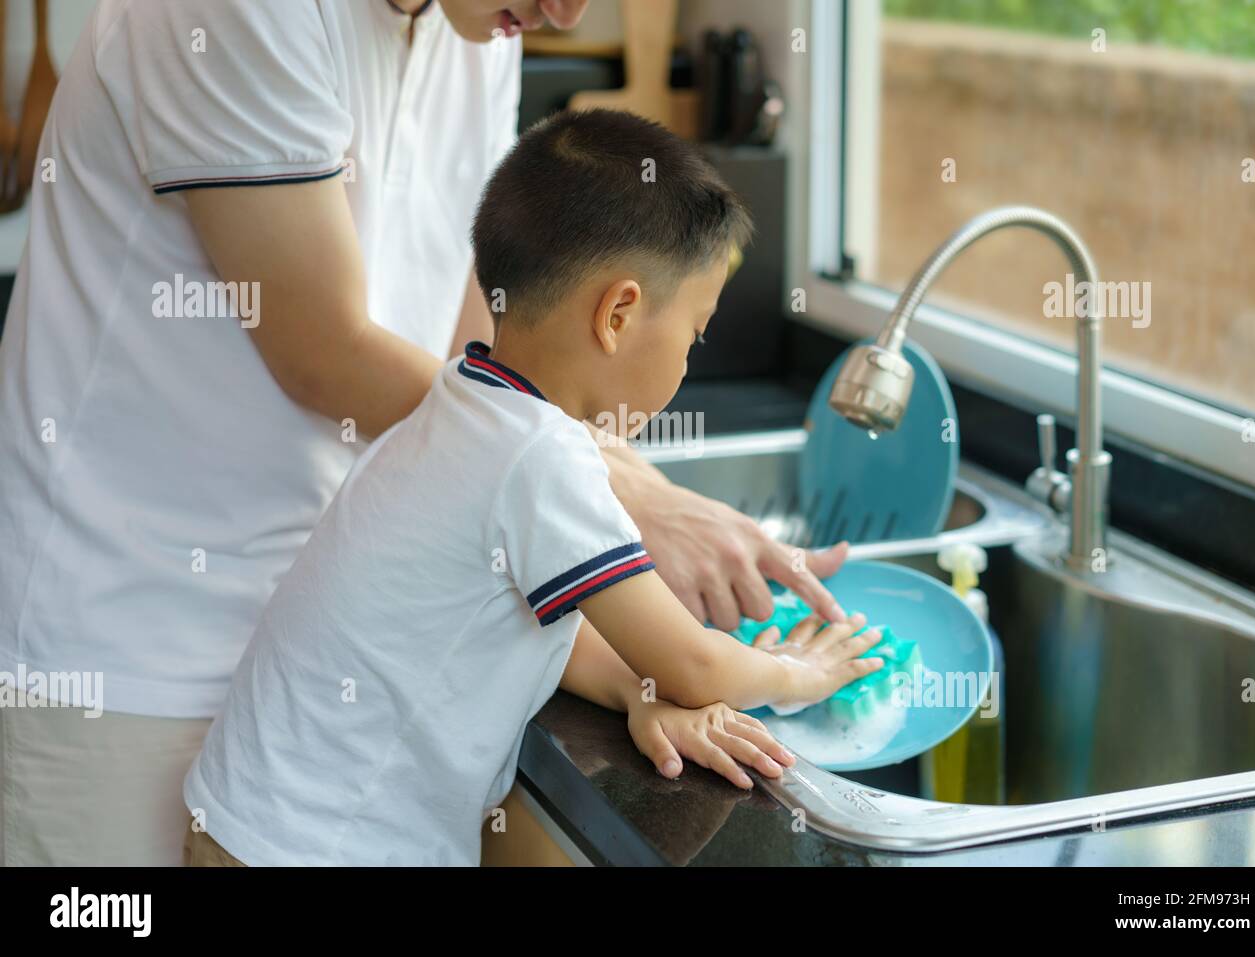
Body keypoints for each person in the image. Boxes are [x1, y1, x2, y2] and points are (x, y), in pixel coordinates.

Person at [0, 0, 845, 866]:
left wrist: (633, 648)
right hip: (131, 641)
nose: (566, 13)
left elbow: (485, 370)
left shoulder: (485, 25)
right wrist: (625, 501)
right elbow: (328, 354)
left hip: (327, 655)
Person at [182, 108, 884, 866]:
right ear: (618, 314)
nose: (690, 359)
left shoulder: (462, 399)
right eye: (695, 332)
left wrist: (636, 689)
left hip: (243, 820)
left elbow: (537, 618)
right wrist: (797, 673)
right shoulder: (547, 459)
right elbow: (697, 663)